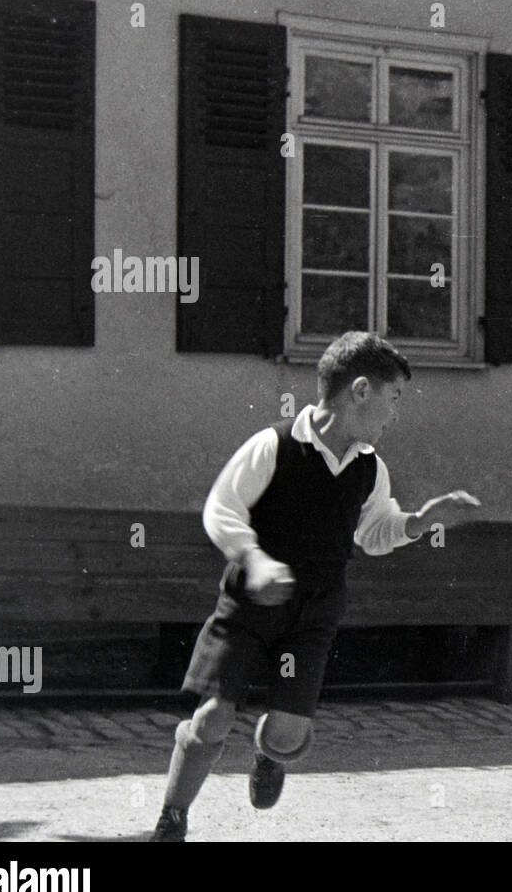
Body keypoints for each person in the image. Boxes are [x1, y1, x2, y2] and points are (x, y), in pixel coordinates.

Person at [149, 332, 480, 841]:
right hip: (250, 605)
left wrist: (419, 521)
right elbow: (222, 509)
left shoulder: (370, 467)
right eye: (394, 398)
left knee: (287, 735)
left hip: (315, 612)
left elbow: (375, 534)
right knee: (213, 717)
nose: (395, 413)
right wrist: (254, 559)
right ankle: (172, 818)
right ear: (361, 391)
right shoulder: (274, 445)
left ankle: (266, 755)